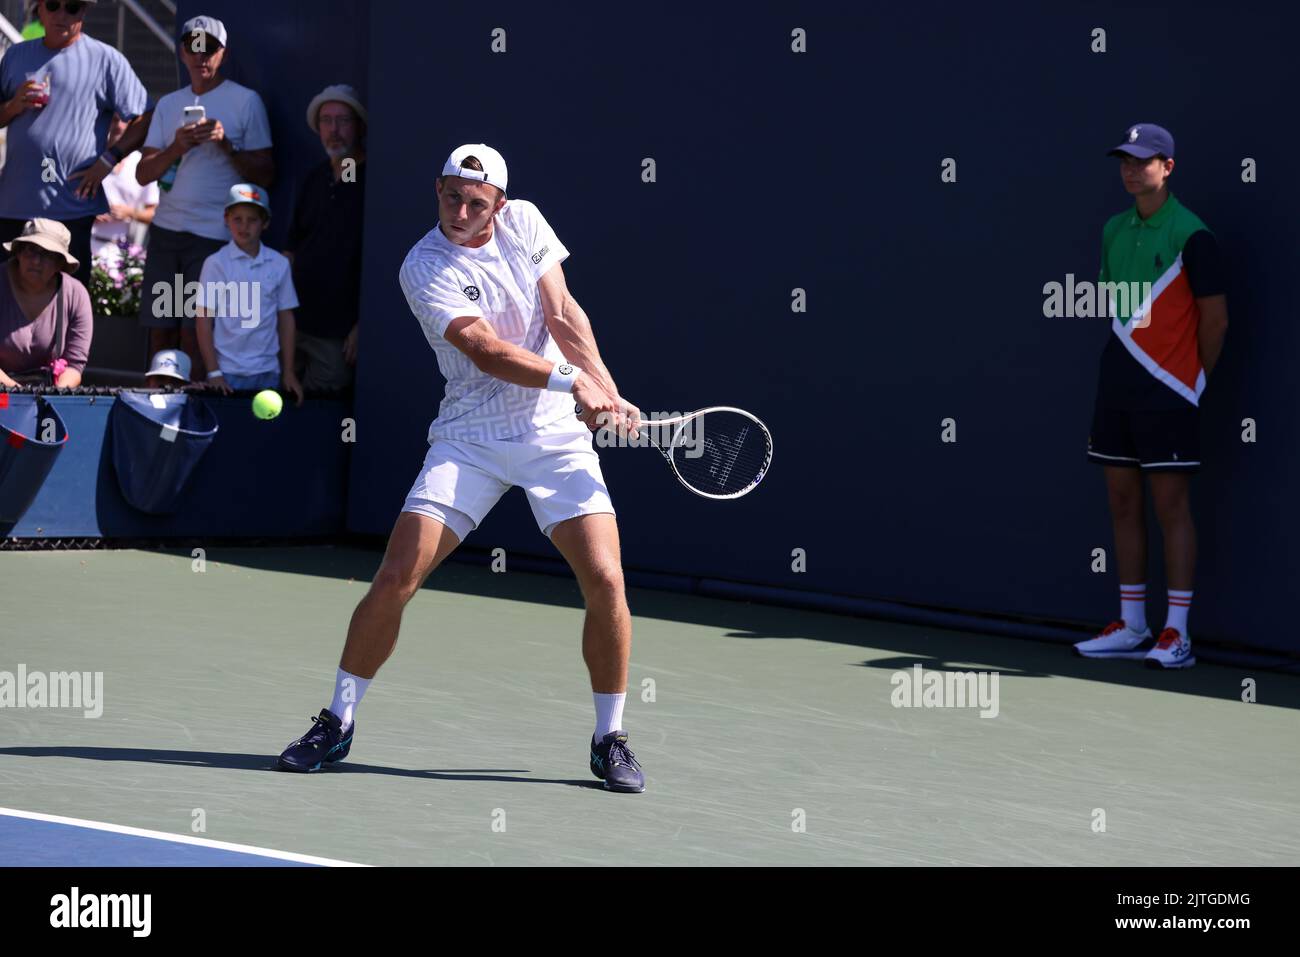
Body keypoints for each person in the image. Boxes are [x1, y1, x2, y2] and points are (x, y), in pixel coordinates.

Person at [276, 145, 648, 793]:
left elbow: (562, 314)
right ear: (438, 189)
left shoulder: (526, 222)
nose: (462, 209)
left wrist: (606, 389)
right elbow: (486, 350)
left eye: (477, 201)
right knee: (396, 575)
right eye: (452, 194)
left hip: (552, 436)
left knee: (608, 580)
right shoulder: (422, 264)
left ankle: (609, 736)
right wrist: (574, 383)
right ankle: (337, 718)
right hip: (470, 436)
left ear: (499, 204)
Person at [1073, 124, 1229, 670]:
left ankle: (1177, 634)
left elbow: (1215, 317)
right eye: (1125, 161)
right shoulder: (1113, 230)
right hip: (1117, 386)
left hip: (1170, 392)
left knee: (1170, 507)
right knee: (1121, 501)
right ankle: (1133, 623)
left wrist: (1193, 379)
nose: (1131, 169)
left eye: (1143, 161)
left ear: (1168, 167)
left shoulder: (1193, 234)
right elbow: (1116, 309)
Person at [136, 15, 274, 381]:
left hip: (214, 238)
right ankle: (156, 404)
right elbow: (143, 173)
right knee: (161, 325)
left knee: (196, 329)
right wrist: (176, 147)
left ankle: (196, 404)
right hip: (167, 233)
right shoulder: (168, 104)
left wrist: (227, 145)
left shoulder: (246, 102)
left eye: (209, 47)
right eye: (193, 46)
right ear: (182, 52)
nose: (201, 55)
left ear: (223, 54)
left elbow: (266, 173)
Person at [0, 0, 151, 289]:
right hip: (13, 207)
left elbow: (146, 115)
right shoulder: (15, 56)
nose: (61, 14)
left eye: (72, 7)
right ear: (39, 9)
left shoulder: (107, 59)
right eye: (54, 5)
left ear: (84, 12)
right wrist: (13, 105)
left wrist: (109, 160)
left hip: (70, 209)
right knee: (6, 310)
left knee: (67, 310)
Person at [284, 84, 367, 392]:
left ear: (359, 126)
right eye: (326, 120)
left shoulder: (373, 181)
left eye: (343, 120)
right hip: (295, 325)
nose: (334, 130)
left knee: (321, 415)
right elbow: (290, 251)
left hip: (337, 335)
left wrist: (363, 326)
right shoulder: (313, 178)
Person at [195, 184, 302, 402]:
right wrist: (214, 372)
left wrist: (288, 371)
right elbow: (203, 319)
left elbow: (286, 318)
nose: (244, 226)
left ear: (265, 223)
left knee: (264, 435)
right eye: (237, 219)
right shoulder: (216, 263)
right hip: (227, 374)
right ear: (226, 219)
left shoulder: (279, 264)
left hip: (268, 373)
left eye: (252, 220)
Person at [0, 218, 92, 388]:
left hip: (46, 396)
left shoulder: (76, 294)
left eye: (47, 254)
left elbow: (74, 365)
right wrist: (17, 394)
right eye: (30, 250)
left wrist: (53, 397)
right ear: (18, 252)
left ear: (60, 263)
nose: (36, 261)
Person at [91, 115, 158, 262]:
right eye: (115, 120)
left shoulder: (140, 165)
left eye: (125, 122)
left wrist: (129, 212)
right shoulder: (90, 157)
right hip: (87, 244)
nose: (119, 126)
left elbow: (155, 213)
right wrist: (90, 212)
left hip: (121, 253)